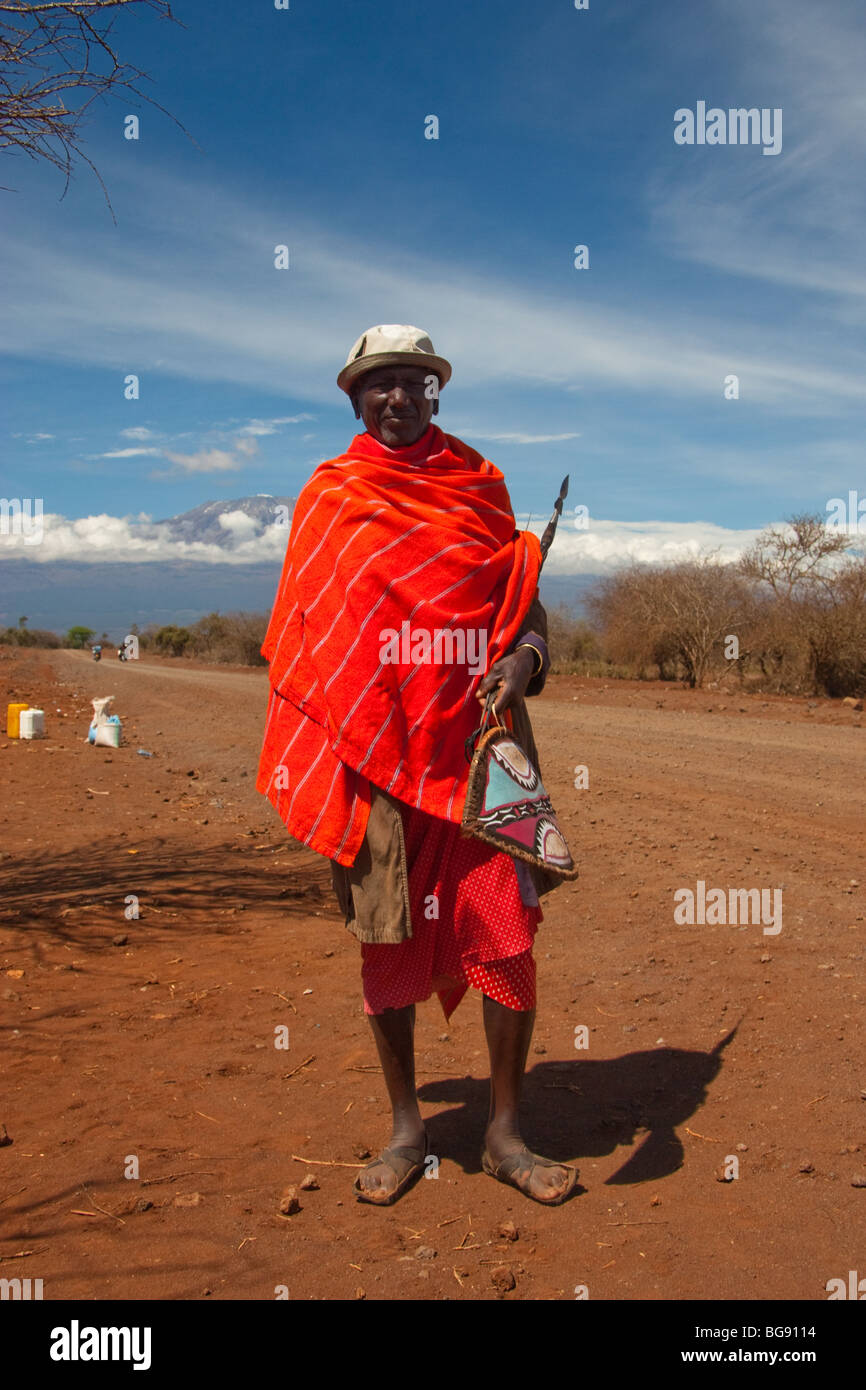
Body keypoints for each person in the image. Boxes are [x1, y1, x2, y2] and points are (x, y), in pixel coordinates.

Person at [257, 325, 576, 1206]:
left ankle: (506, 1135)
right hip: (374, 759)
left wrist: (524, 664)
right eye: (377, 384)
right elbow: (310, 632)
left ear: (436, 390)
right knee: (386, 939)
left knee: (505, 941)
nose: (395, 397)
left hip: (481, 752)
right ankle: (408, 1130)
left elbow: (526, 608)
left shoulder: (478, 489)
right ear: (354, 399)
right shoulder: (332, 497)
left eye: (412, 381)